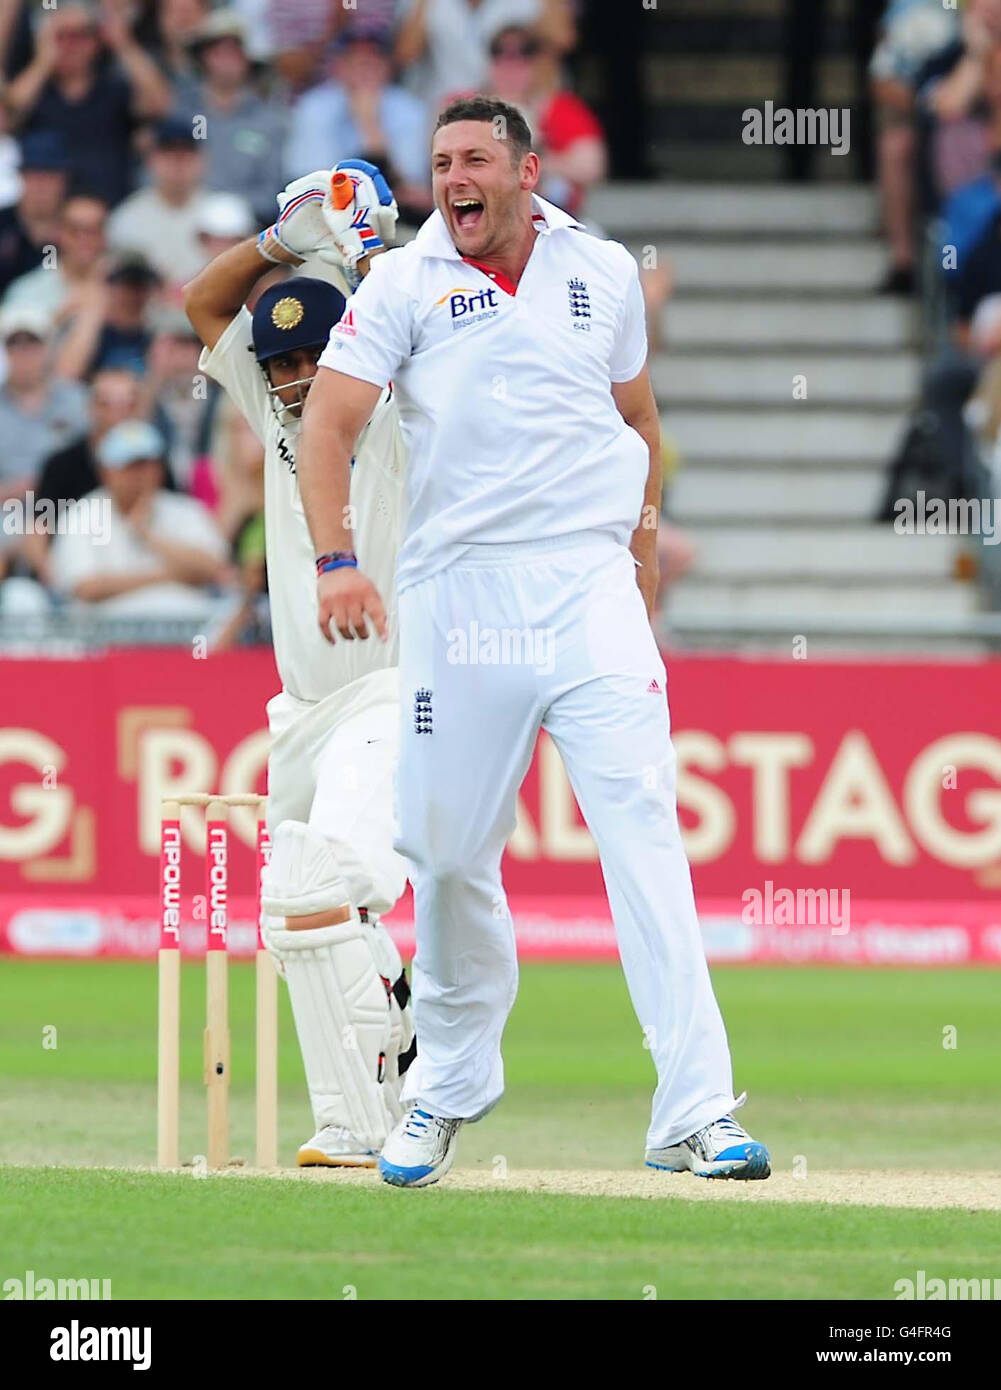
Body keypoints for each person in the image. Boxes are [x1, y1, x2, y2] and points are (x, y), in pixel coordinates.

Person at [299, 96, 772, 1189]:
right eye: (437, 163)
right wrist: (335, 562)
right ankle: (449, 1086)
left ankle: (694, 1111)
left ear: (525, 170)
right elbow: (327, 424)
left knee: (644, 832)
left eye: (471, 160)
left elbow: (639, 423)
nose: (450, 180)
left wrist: (639, 574)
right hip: (460, 597)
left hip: (587, 586)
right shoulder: (401, 283)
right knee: (446, 851)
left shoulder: (599, 269)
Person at [183, 157, 415, 1167]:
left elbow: (410, 328)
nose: (289, 379)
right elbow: (202, 299)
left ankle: (379, 1083)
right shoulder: (273, 417)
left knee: (321, 882)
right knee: (293, 922)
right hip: (301, 709)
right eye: (278, 366)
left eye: (308, 360)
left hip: (385, 690)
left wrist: (370, 254)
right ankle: (371, 1079)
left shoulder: (389, 418)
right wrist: (284, 240)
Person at [48, 416, 227, 616]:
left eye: (149, 464)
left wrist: (147, 535)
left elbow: (217, 571)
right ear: (106, 471)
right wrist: (172, 576)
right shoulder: (83, 513)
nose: (142, 474)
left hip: (184, 634)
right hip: (106, 635)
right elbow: (85, 587)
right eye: (130, 466)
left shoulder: (186, 510)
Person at [3, 1, 171, 208]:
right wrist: (43, 61)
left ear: (96, 41)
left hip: (110, 215)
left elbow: (160, 104)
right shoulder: (37, 90)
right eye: (61, 36)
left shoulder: (114, 89)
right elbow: (8, 116)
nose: (71, 45)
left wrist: (123, 44)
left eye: (81, 35)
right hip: (50, 220)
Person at [26, 365, 145, 584]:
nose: (117, 414)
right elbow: (38, 530)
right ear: (90, 408)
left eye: (128, 404)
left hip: (139, 579)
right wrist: (58, 586)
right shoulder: (61, 464)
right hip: (73, 577)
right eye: (106, 404)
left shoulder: (154, 463)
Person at [284, 26, 429, 204]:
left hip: (396, 212)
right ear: (337, 66)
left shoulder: (409, 108)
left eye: (372, 60)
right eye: (354, 60)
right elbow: (312, 185)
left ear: (388, 67)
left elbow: (412, 188)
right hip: (327, 213)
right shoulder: (314, 106)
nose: (364, 67)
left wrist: (369, 124)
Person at [179, 8, 287, 226]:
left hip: (245, 227)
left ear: (247, 58)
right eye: (217, 51)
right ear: (203, 58)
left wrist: (227, 209)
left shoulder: (269, 121)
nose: (226, 60)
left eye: (234, 52)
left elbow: (273, 192)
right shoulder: (184, 110)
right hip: (184, 218)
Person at [107, 117, 214, 291]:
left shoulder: (223, 213)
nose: (178, 164)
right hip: (147, 312)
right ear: (151, 161)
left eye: (186, 155)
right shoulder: (127, 217)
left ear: (202, 161)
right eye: (168, 155)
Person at [0, 305, 89, 506]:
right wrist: (10, 491)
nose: (23, 352)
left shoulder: (78, 400)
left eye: (32, 343)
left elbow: (97, 458)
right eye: (13, 344)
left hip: (70, 510)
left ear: (49, 348)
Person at [1, 188, 108, 323]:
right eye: (74, 230)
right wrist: (61, 315)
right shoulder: (27, 291)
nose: (85, 240)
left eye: (94, 230)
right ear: (58, 233)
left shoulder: (127, 283)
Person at [54, 248, 161, 381]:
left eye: (139, 285)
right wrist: (92, 311)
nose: (132, 295)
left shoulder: (155, 332)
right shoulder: (88, 327)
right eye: (124, 284)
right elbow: (64, 379)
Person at [0, 131, 69, 295]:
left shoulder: (73, 227)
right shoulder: (3, 224)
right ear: (22, 177)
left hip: (58, 312)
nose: (41, 187)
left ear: (63, 181)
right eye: (34, 177)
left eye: (49, 177)